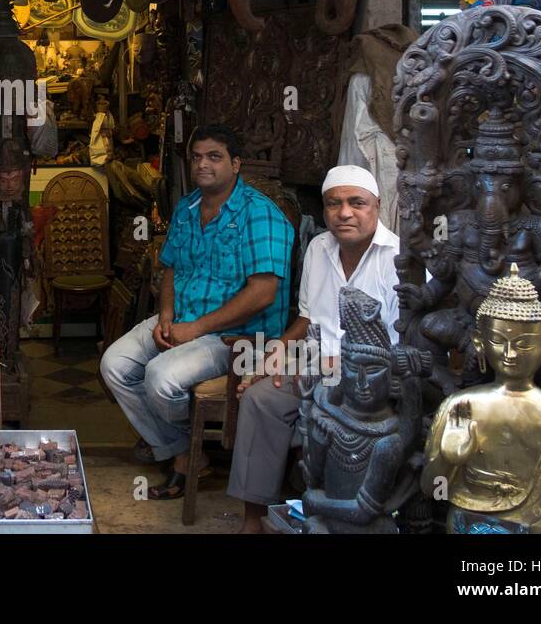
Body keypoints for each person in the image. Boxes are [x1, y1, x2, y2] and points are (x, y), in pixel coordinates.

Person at [100, 123, 293, 500]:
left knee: (159, 377)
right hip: (185, 319)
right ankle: (181, 449)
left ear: (236, 164)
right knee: (114, 365)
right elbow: (170, 267)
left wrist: (196, 328)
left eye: (214, 157)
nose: (203, 164)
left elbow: (263, 294)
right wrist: (167, 315)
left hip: (238, 336)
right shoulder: (188, 209)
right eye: (197, 157)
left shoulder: (260, 215)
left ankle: (184, 454)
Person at [228, 165, 400, 532]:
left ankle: (320, 508)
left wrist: (327, 365)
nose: (345, 213)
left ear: (377, 206)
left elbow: (402, 343)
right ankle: (253, 517)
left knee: (320, 392)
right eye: (333, 204)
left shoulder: (398, 259)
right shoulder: (319, 249)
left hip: (372, 375)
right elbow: (307, 319)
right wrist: (275, 352)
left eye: (357, 203)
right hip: (315, 362)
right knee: (261, 396)